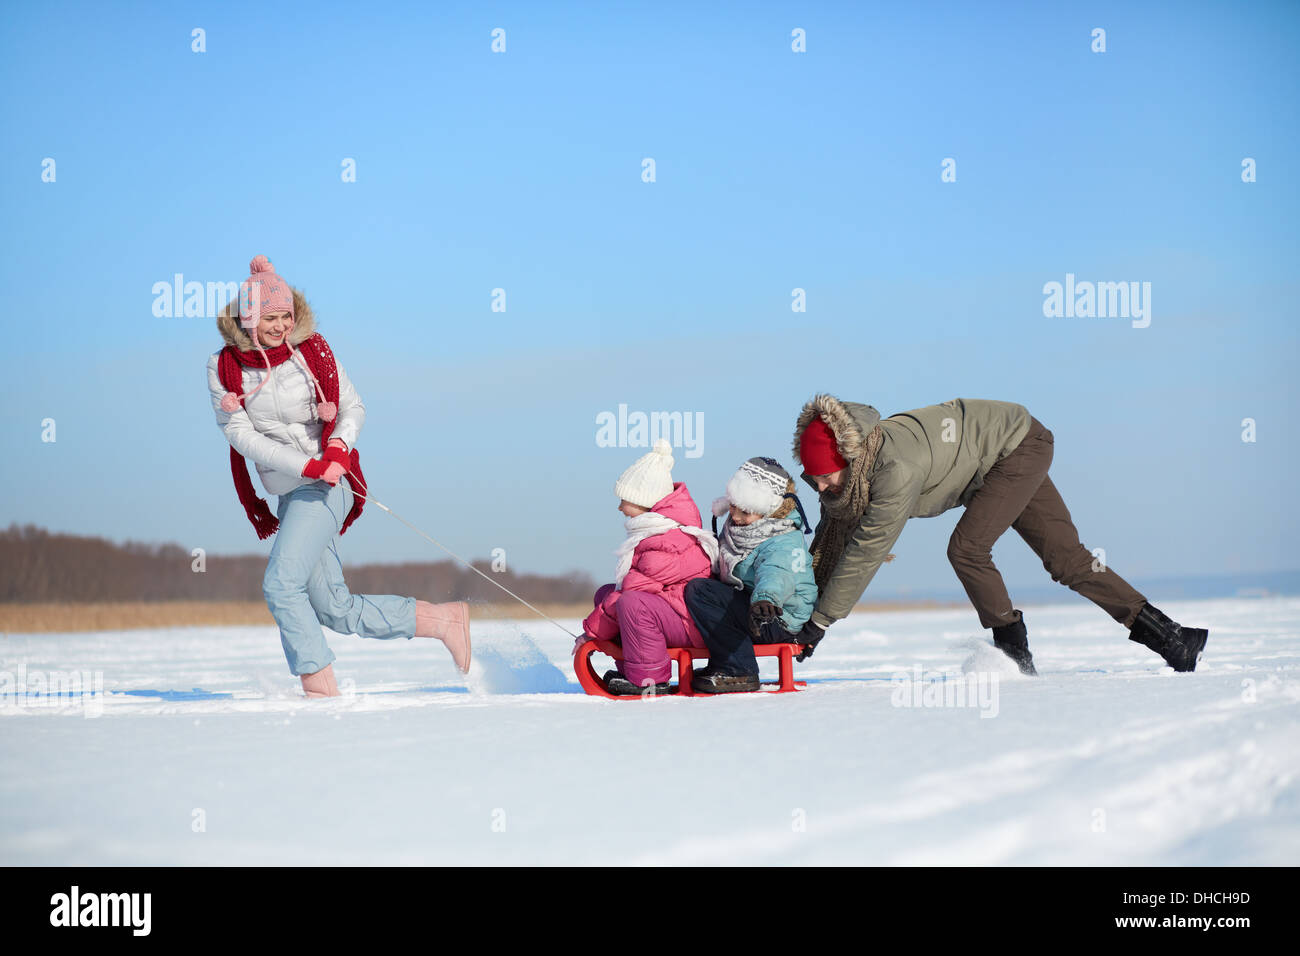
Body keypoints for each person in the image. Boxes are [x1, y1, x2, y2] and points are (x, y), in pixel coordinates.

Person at [790, 394, 1209, 675]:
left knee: (967, 550)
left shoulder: (893, 470)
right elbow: (834, 533)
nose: (822, 489)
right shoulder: (858, 468)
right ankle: (1175, 639)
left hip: (1018, 446)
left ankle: (1013, 654)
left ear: (848, 457)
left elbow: (867, 548)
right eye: (814, 480)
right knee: (1068, 559)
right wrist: (806, 605)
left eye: (825, 478)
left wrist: (821, 621)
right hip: (996, 454)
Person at [206, 255, 470, 698]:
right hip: (291, 491)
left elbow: (353, 407)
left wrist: (336, 451)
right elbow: (240, 435)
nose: (281, 326)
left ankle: (319, 692)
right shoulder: (224, 368)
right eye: (270, 317)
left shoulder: (313, 352)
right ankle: (444, 621)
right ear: (248, 318)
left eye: (286, 316)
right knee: (335, 608)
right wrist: (306, 465)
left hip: (329, 484)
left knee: (280, 584)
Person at [579, 439, 718, 695]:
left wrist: (590, 634)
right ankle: (631, 667)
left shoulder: (667, 541)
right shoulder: (657, 533)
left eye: (625, 500)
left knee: (631, 603)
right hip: (673, 613)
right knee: (607, 593)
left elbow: (632, 589)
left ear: (646, 502)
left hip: (689, 623)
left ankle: (648, 679)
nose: (620, 507)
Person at [684, 457, 818, 693]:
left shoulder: (783, 538)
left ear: (767, 510)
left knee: (701, 592)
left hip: (776, 615)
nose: (735, 516)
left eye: (746, 511)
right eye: (733, 506)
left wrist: (766, 598)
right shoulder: (742, 529)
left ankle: (739, 670)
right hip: (756, 604)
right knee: (705, 590)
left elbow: (777, 571)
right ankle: (724, 663)